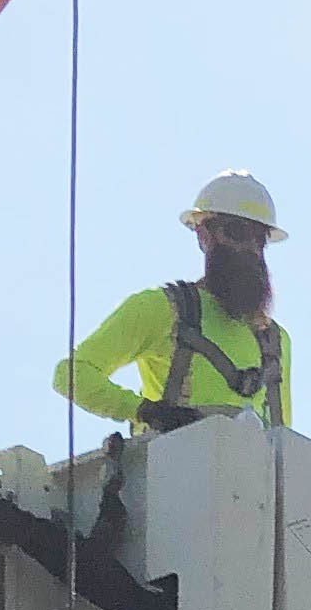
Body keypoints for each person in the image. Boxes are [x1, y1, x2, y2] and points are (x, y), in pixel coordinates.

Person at [54, 172, 293, 432]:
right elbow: (71, 374)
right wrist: (144, 411)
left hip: (245, 459)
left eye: (259, 237)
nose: (249, 247)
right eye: (236, 232)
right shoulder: (164, 309)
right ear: (204, 234)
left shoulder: (274, 339)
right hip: (171, 457)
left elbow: (283, 437)